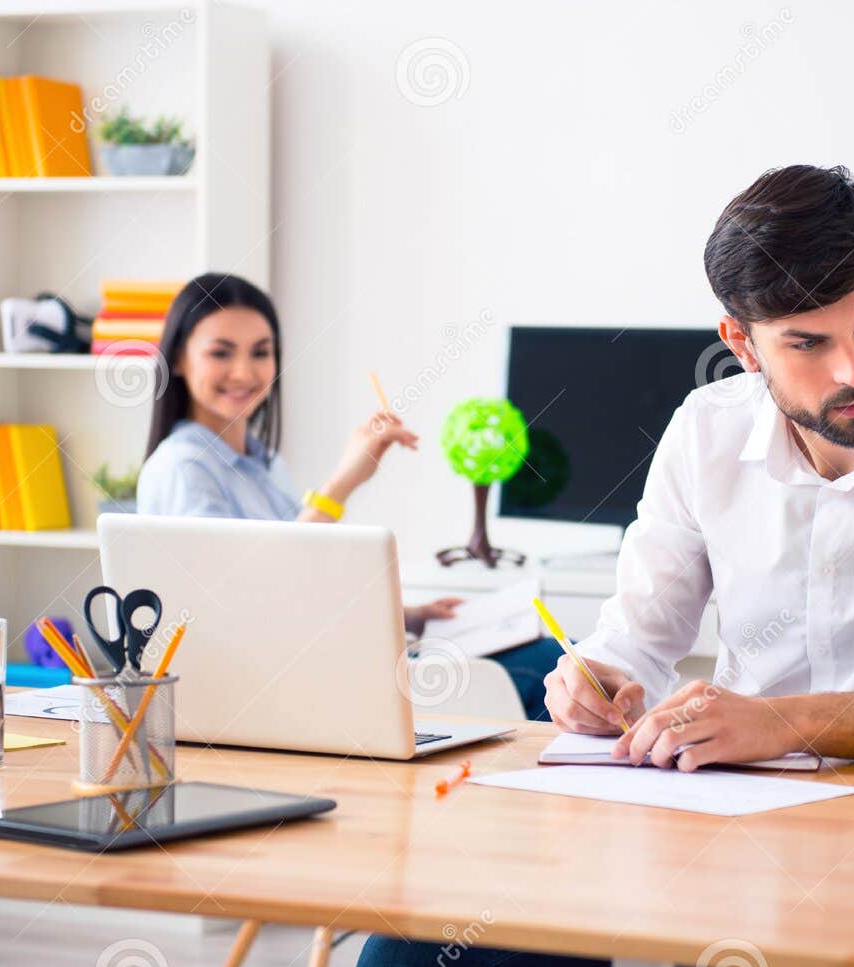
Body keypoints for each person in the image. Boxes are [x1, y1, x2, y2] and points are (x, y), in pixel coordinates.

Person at [354, 165, 854, 967]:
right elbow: (634, 639)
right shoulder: (707, 430)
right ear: (741, 343)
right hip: (719, 846)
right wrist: (592, 680)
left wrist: (787, 724)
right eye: (806, 344)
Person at [136, 272, 561, 718]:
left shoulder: (263, 465)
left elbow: (303, 590)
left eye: (261, 353)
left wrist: (408, 617)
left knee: (547, 654)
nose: (244, 372)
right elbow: (251, 598)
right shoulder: (185, 468)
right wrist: (342, 482)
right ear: (179, 359)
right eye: (221, 353)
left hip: (323, 660)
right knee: (548, 671)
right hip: (289, 686)